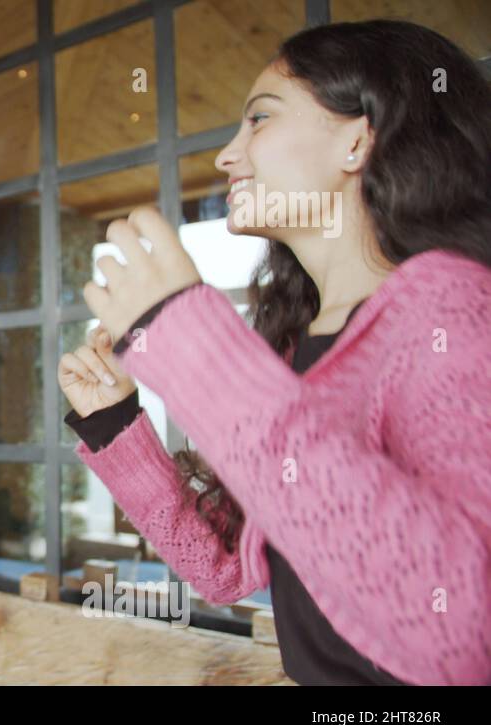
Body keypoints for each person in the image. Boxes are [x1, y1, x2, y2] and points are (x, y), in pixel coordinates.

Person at [59, 20, 491, 685]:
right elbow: (226, 567)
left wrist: (190, 343)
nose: (228, 156)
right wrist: (117, 422)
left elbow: (463, 629)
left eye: (259, 119)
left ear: (358, 136)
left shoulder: (458, 311)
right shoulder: (297, 342)